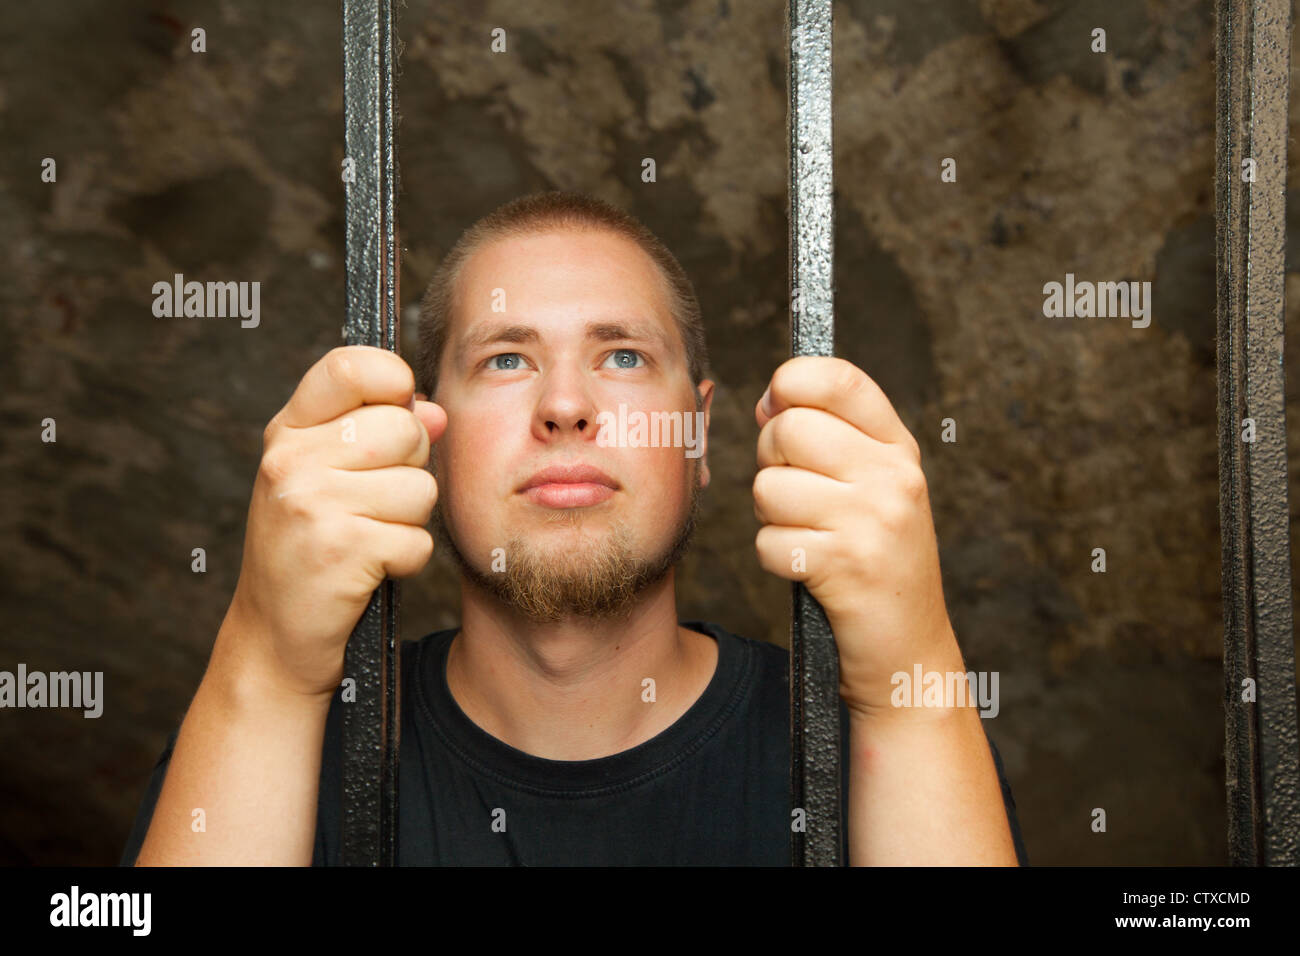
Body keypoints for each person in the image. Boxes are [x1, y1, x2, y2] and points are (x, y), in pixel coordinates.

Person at [121, 190, 1028, 866]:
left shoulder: (856, 749)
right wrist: (266, 662)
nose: (565, 406)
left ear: (697, 434)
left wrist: (918, 683)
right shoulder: (290, 742)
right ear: (423, 434)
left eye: (623, 356)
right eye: (507, 357)